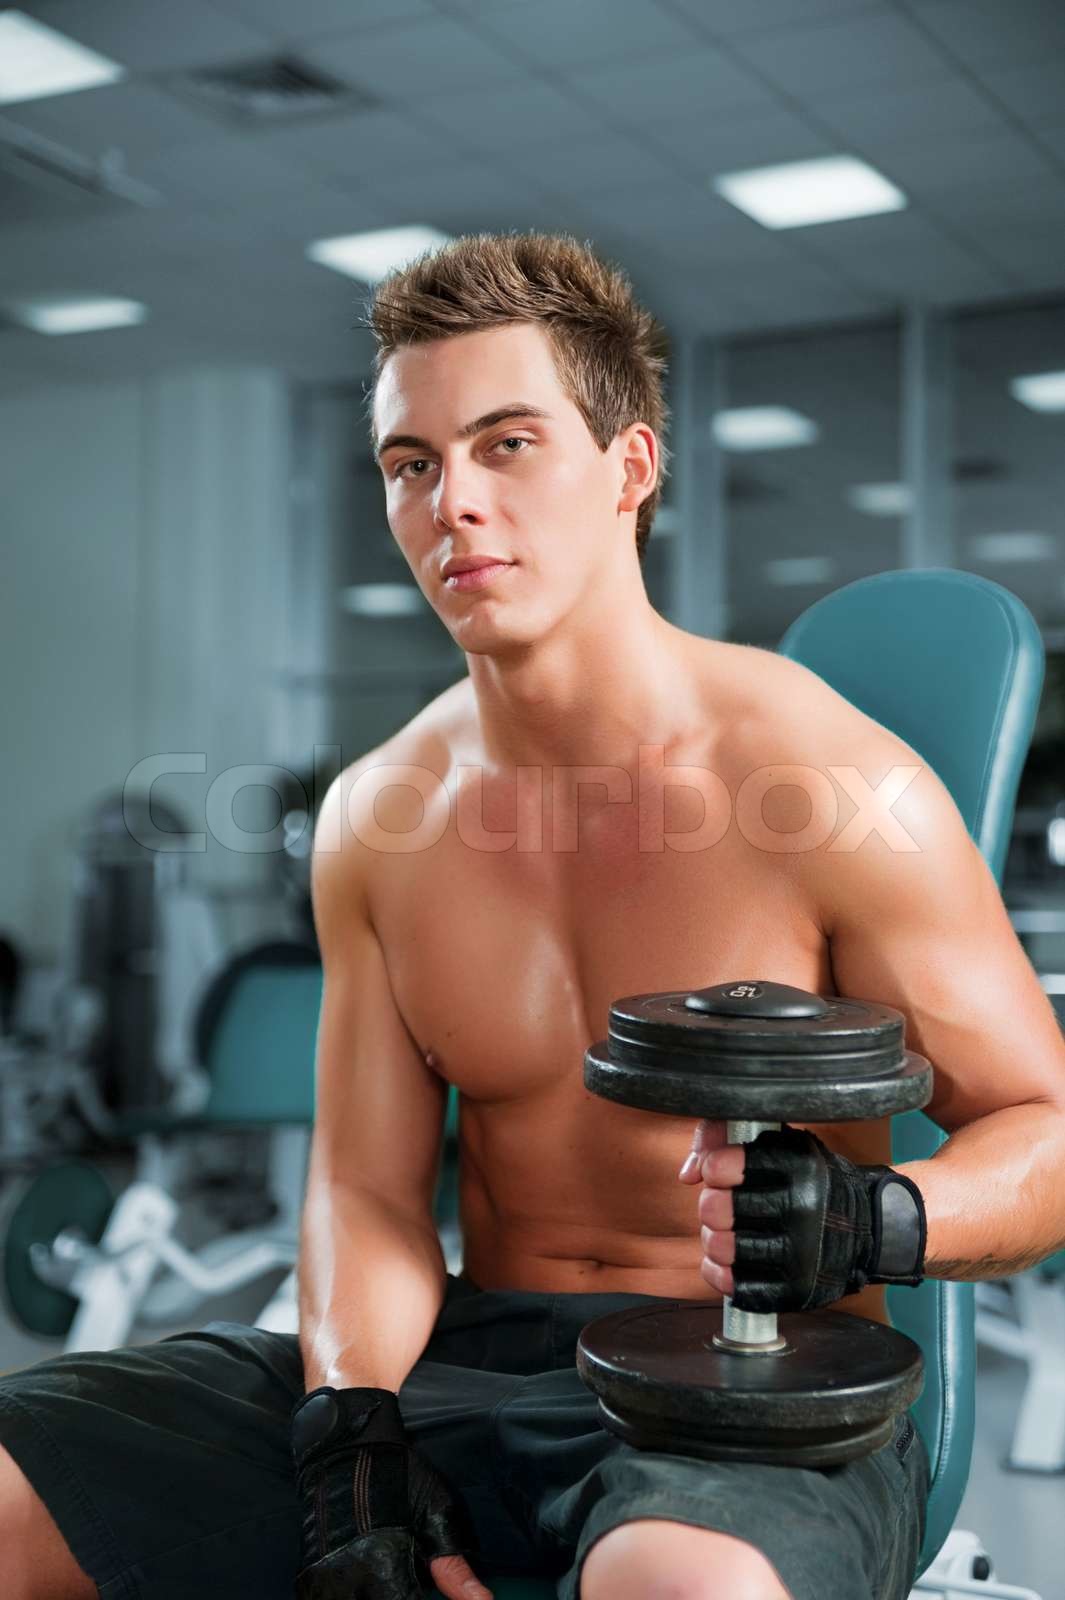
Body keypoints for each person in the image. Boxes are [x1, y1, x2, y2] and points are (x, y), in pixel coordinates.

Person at [2, 233, 1065, 1600]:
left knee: (677, 1589)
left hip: (745, 1388)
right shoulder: (378, 815)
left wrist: (879, 1216)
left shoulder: (829, 783)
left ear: (628, 470)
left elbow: (1045, 1132)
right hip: (457, 1355)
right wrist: (351, 1450)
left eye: (507, 444)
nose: (453, 503)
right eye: (410, 463)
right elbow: (368, 1193)